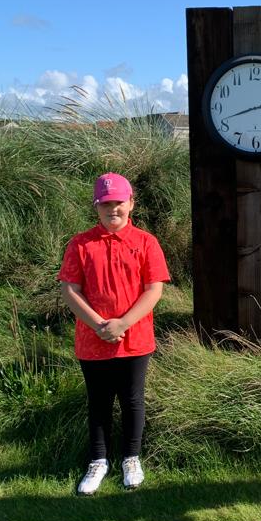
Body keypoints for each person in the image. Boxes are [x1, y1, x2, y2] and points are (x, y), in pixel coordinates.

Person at [58, 173, 170, 495]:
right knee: (99, 401)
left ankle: (131, 458)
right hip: (92, 340)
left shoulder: (146, 242)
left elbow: (154, 289)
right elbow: (70, 290)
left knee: (132, 400)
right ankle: (98, 461)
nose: (113, 209)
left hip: (135, 339)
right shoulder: (80, 244)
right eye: (105, 204)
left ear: (131, 203)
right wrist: (99, 325)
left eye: (119, 202)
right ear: (96, 206)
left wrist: (122, 323)